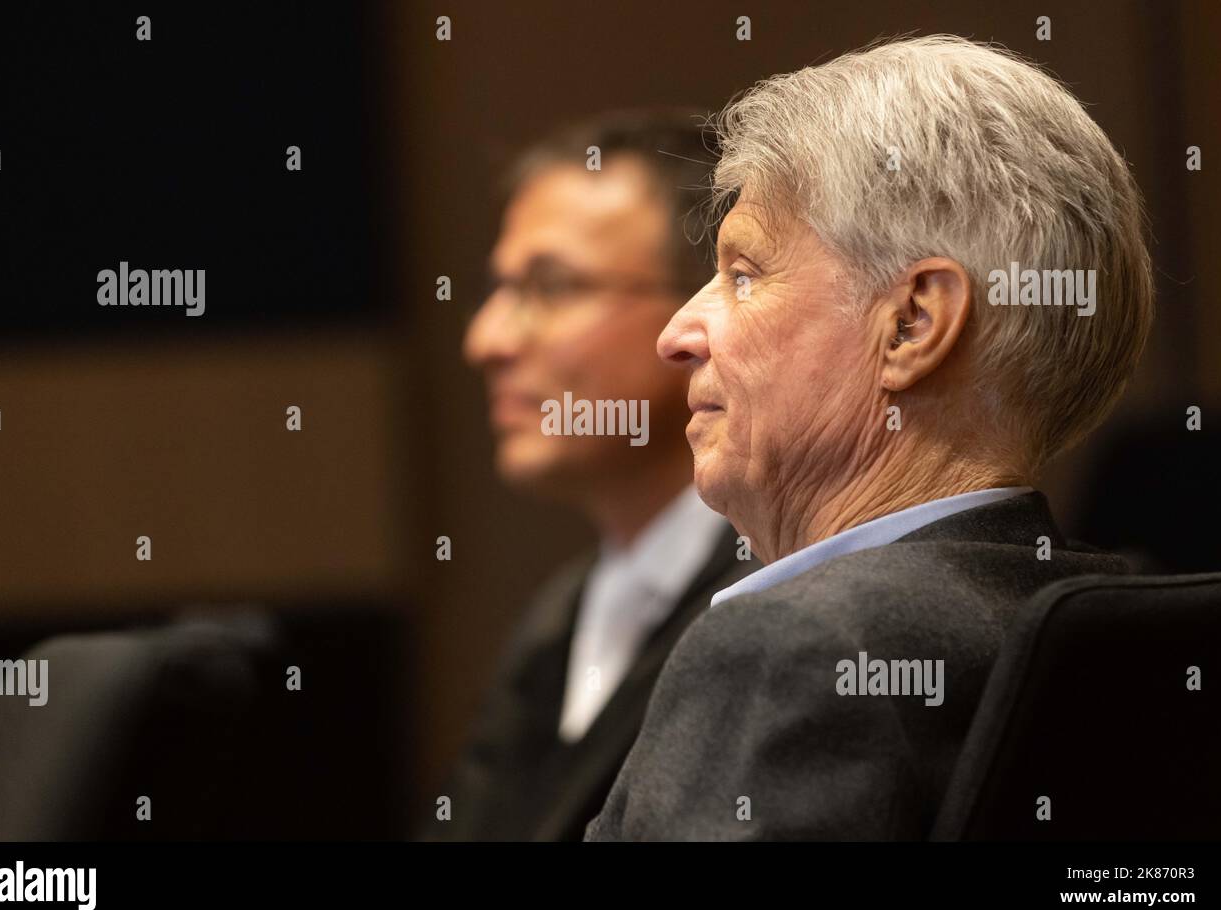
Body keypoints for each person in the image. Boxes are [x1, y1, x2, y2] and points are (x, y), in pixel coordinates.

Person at [587, 36, 1154, 840]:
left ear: (911, 324)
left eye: (743, 274)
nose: (678, 332)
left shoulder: (793, 650)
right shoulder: (1115, 640)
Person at [424, 111, 759, 841]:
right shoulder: (557, 618)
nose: (486, 339)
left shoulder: (775, 604)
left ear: (703, 309)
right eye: (499, 287)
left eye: (552, 286)